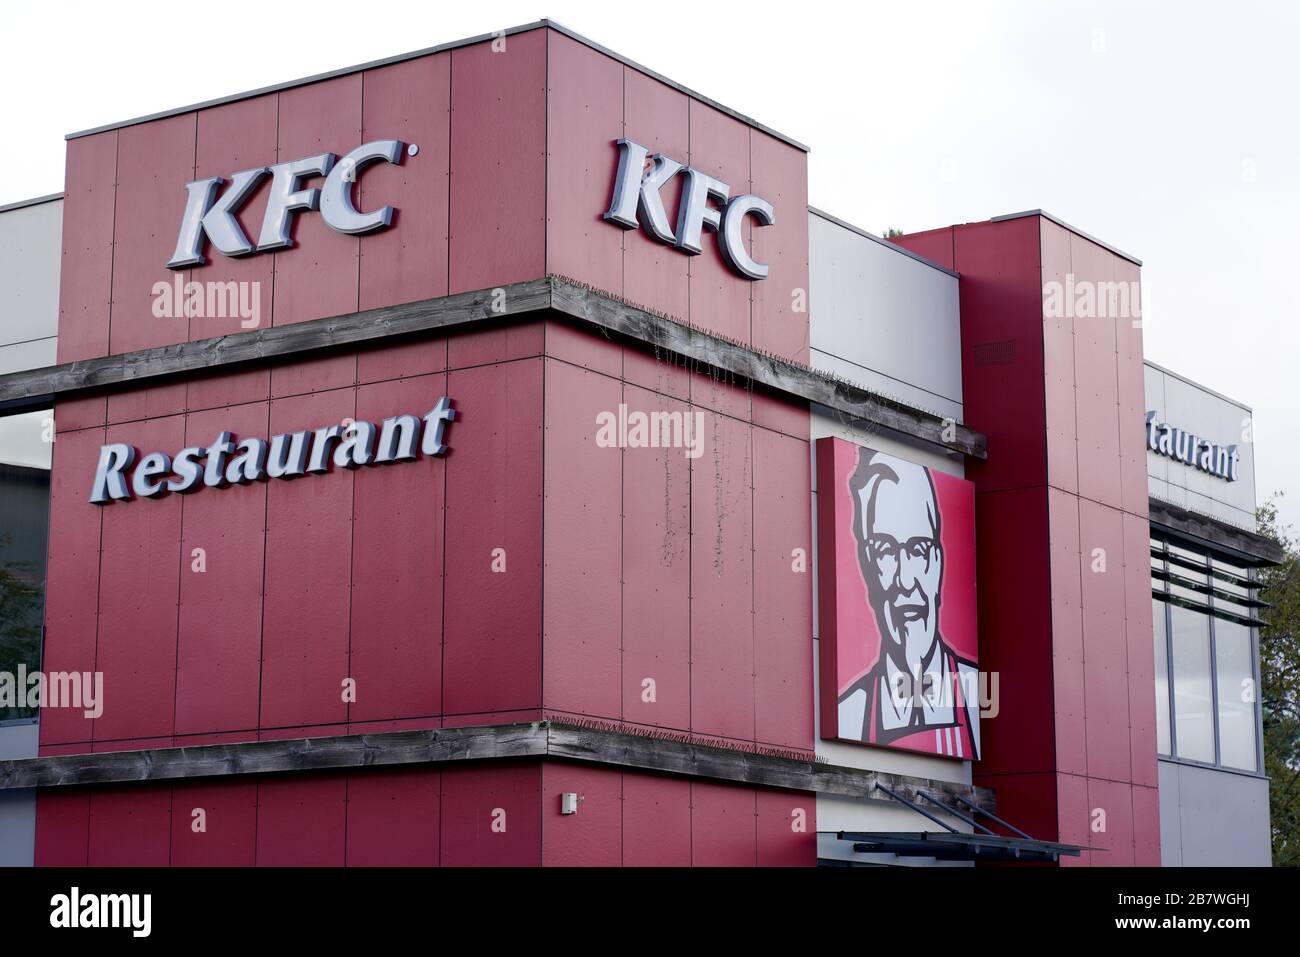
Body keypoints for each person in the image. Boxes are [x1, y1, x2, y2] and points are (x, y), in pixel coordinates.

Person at [836, 449, 980, 759]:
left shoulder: (977, 694)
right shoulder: (851, 711)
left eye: (918, 549)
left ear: (937, 563)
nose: (906, 580)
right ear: (866, 565)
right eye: (886, 550)